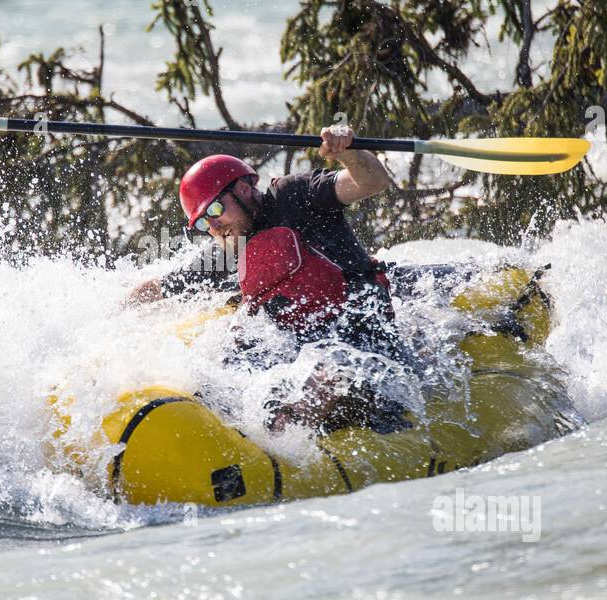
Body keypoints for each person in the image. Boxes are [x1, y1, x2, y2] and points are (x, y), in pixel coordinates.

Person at [128, 125, 417, 432]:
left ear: (242, 189)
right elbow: (161, 287)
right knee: (226, 364)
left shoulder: (294, 195)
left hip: (364, 343)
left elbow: (372, 181)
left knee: (322, 381)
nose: (213, 226)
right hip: (304, 352)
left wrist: (349, 152)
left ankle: (284, 444)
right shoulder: (231, 246)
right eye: (202, 223)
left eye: (214, 209)